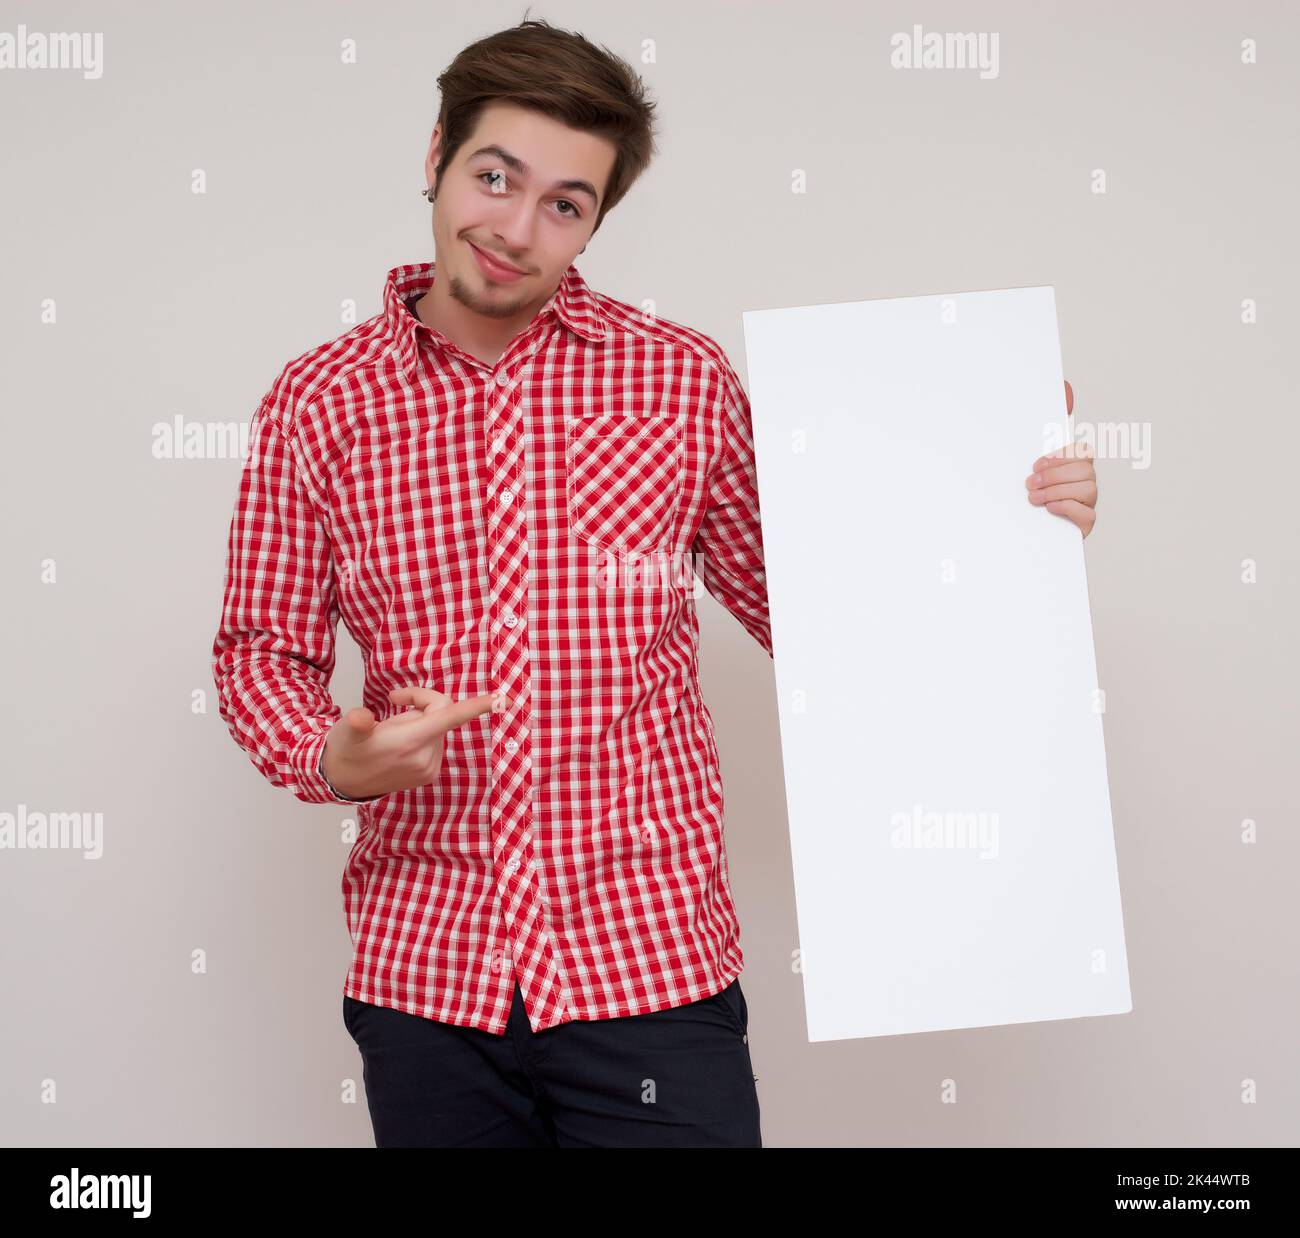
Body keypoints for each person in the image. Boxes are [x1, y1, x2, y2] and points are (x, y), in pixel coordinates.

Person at [210, 17, 1097, 1149]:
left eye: (565, 204)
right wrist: (332, 755)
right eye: (496, 177)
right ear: (436, 155)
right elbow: (256, 654)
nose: (517, 230)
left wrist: (1002, 512)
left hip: (649, 970)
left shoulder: (678, 380)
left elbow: (820, 607)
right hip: (425, 974)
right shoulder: (315, 403)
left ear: (596, 218)